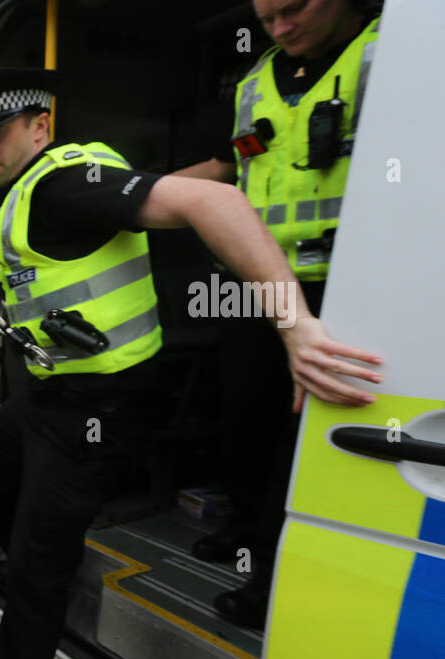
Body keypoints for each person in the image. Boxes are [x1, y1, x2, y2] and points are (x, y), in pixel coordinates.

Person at [0, 66, 383, 659]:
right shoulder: (27, 194)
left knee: (37, 574)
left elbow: (215, 200)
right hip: (53, 402)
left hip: (96, 411)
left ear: (40, 126)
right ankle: (28, 551)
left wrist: (295, 325)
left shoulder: (60, 183)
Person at [176, 0, 379, 626]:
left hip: (343, 289)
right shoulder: (256, 82)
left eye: (294, 10)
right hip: (257, 289)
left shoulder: (383, 58)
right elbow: (223, 166)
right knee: (246, 423)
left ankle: (271, 580)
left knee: (302, 440)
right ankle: (242, 534)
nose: (280, 28)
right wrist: (127, 194)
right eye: (266, 19)